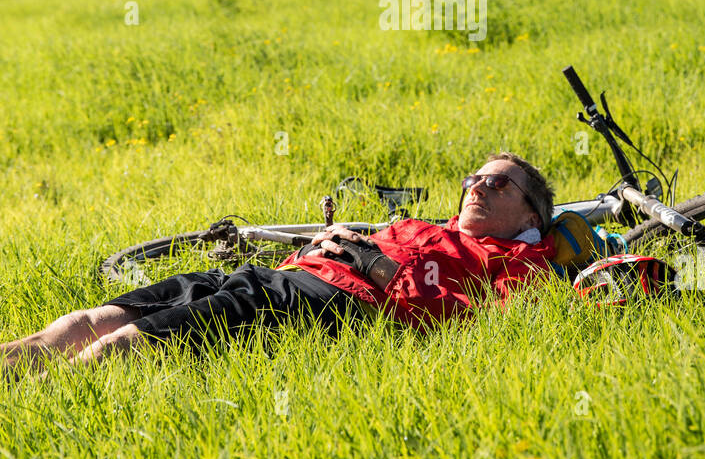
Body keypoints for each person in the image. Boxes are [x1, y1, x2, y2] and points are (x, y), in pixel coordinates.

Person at [1, 153, 557, 373]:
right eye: (473, 177)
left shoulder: (522, 261)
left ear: (530, 208)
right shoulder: (425, 226)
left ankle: (52, 395)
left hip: (327, 303)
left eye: (498, 181)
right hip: (287, 274)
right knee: (86, 321)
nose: (477, 186)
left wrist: (377, 266)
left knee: (128, 344)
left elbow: (468, 323)